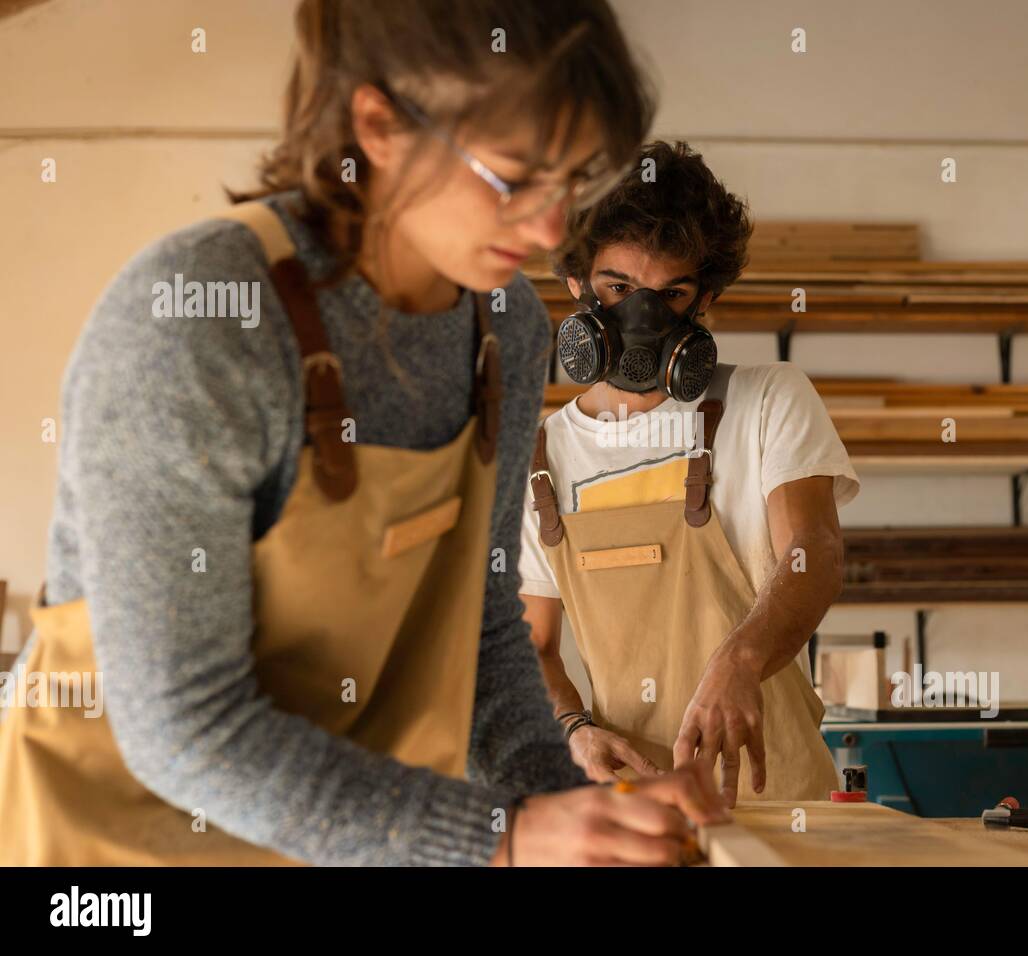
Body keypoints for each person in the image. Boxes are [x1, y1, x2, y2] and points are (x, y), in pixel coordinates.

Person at [0, 0, 726, 867]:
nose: (546, 231)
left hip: (347, 841)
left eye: (573, 185)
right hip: (113, 858)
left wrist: (587, 822)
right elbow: (181, 727)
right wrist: (503, 838)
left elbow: (486, 635)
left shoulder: (506, 327)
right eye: (513, 179)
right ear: (377, 124)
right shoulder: (197, 321)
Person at [520, 141, 860, 807]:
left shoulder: (766, 401)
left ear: (704, 299)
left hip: (778, 795)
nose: (640, 320)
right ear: (576, 285)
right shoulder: (541, 460)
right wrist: (574, 729)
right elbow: (533, 648)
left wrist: (740, 662)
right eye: (618, 288)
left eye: (669, 294)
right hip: (635, 806)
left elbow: (812, 553)